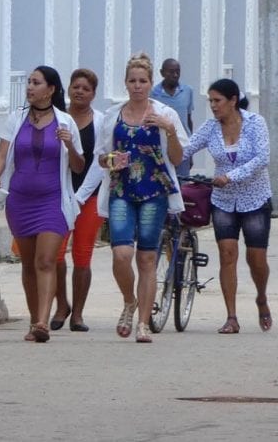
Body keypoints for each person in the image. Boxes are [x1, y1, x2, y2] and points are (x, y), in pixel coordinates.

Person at [89, 52, 188, 343]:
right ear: (125, 83)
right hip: (122, 190)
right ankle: (129, 300)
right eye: (132, 81)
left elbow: (178, 157)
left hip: (153, 191)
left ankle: (143, 323)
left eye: (142, 81)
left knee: (146, 258)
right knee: (122, 254)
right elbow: (100, 159)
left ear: (150, 83)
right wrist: (111, 160)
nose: (137, 86)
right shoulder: (112, 116)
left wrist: (168, 131)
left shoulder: (165, 115)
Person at [0, 67, 84, 343]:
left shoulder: (65, 122)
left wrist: (70, 147)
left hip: (52, 201)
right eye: (29, 82)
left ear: (51, 89)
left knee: (45, 260)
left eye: (36, 83)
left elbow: (78, 166)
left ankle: (43, 321)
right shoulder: (16, 120)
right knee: (28, 263)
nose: (30, 87)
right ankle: (33, 320)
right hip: (20, 200)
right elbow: (2, 154)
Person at [182, 78, 273, 334]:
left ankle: (261, 297)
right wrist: (167, 135)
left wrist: (230, 176)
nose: (213, 106)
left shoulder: (256, 123)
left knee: (256, 258)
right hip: (223, 201)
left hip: (254, 198)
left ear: (233, 100)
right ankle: (231, 316)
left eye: (217, 100)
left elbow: (262, 158)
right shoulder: (210, 128)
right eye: (210, 101)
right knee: (227, 254)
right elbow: (186, 149)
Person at [50, 68, 105, 332]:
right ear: (68, 89)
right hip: (58, 195)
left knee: (82, 256)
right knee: (56, 254)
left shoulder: (102, 122)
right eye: (76, 86)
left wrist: (81, 197)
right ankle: (62, 304)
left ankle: (78, 314)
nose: (79, 91)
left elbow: (99, 163)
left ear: (93, 94)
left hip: (89, 197)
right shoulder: (57, 118)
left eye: (86, 88)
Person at [151, 58, 195, 173]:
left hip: (182, 146)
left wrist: (191, 152)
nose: (175, 75)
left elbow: (189, 120)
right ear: (162, 73)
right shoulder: (153, 94)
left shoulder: (187, 91)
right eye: (171, 72)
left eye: (178, 71)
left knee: (183, 184)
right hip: (161, 147)